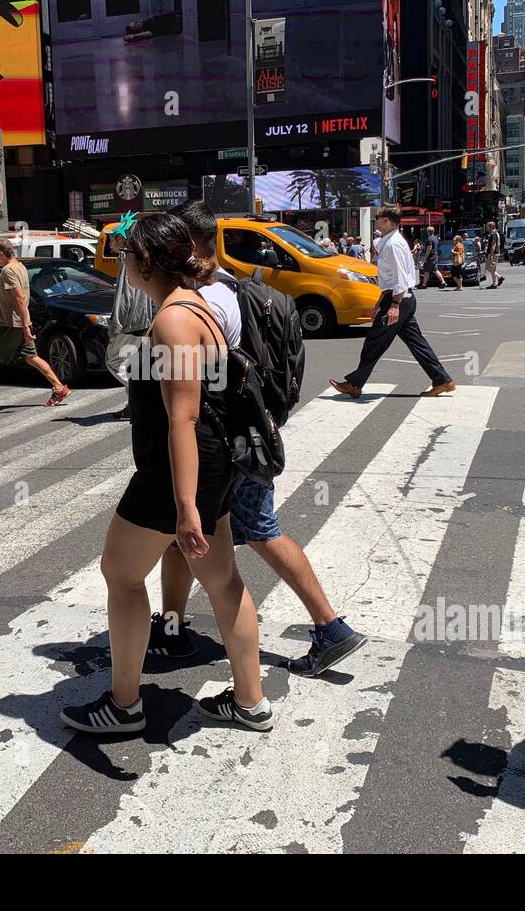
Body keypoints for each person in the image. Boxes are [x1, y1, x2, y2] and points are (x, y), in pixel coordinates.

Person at [61, 211, 272, 735]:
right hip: (212, 463)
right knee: (223, 581)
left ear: (146, 261)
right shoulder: (196, 307)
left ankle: (124, 704)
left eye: (127, 254)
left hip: (177, 470)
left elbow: (183, 416)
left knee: (121, 574)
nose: (122, 263)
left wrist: (184, 509)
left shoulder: (174, 320)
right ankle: (251, 701)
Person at [151, 201, 368, 675]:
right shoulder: (233, 287)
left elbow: (192, 394)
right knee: (190, 538)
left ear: (187, 246)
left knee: (247, 533)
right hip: (246, 435)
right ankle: (171, 628)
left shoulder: (203, 301)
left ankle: (328, 629)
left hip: (224, 445)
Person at [331, 206, 455, 399]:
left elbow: (399, 277)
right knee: (416, 342)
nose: (377, 220)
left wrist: (394, 305)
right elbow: (390, 278)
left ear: (387, 221)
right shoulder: (389, 242)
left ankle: (354, 384)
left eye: (379, 217)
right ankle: (441, 380)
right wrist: (381, 301)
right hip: (398, 297)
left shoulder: (393, 244)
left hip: (399, 299)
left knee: (375, 342)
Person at [0, 238, 69, 412]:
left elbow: (20, 298)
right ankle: (59, 388)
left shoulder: (8, 270)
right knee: (31, 357)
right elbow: (11, 294)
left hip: (10, 323)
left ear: (0, 253)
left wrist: (25, 326)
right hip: (18, 322)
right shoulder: (19, 266)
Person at [105, 222, 156, 422]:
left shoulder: (129, 259)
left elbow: (124, 297)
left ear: (120, 239)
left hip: (131, 322)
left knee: (114, 361)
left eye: (111, 238)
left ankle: (141, 395)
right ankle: (132, 405)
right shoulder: (136, 255)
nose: (109, 243)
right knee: (133, 363)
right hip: (142, 319)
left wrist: (115, 324)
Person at [417, 225, 446, 289]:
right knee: (435, 270)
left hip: (430, 257)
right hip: (435, 256)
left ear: (428, 232)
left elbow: (429, 248)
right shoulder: (435, 238)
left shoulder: (429, 239)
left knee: (427, 271)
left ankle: (424, 285)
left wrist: (425, 257)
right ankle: (443, 282)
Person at [483, 221, 503, 289]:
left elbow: (493, 245)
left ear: (491, 226)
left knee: (489, 267)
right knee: (491, 268)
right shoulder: (496, 233)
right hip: (495, 253)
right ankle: (496, 281)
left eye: (487, 226)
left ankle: (497, 280)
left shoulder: (493, 234)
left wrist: (491, 255)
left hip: (493, 254)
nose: (486, 228)